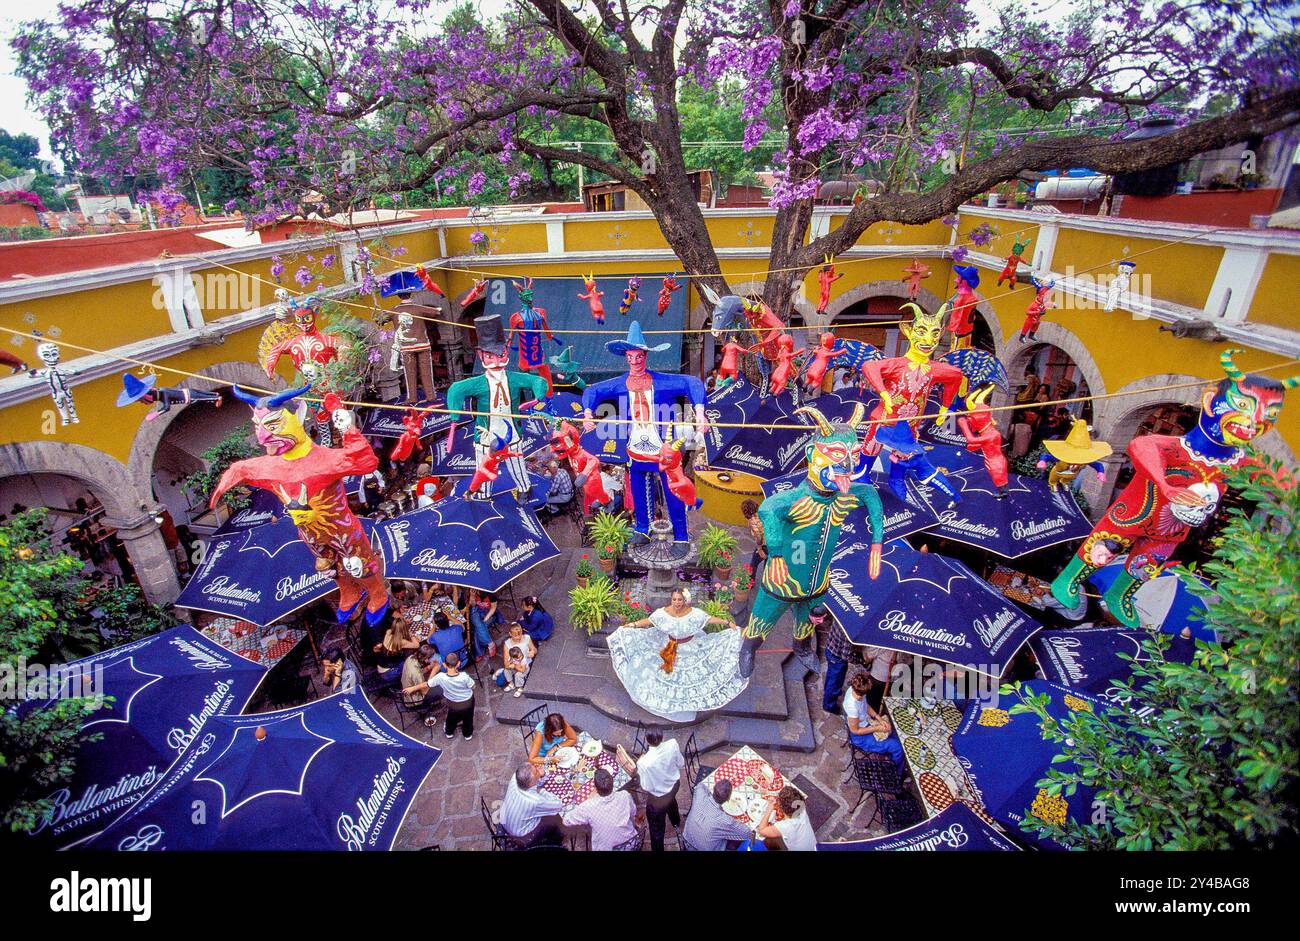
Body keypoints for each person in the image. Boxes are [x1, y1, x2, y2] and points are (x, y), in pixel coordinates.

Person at [608, 587, 745, 722]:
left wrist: (727, 623)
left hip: (690, 647)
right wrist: (633, 625)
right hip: (668, 645)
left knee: (689, 678)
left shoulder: (694, 613)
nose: (677, 602)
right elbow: (650, 621)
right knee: (665, 676)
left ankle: (687, 703)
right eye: (674, 599)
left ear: (684, 600)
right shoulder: (663, 613)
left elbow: (709, 619)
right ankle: (667, 703)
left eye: (679, 599)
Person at [629, 728, 684, 853]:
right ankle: (676, 822)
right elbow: (681, 763)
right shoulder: (673, 744)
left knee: (656, 830)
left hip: (658, 800)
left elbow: (646, 786)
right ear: (662, 737)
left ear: (647, 741)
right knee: (671, 802)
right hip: (674, 786)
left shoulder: (644, 762)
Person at [560, 768, 637, 851]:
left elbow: (566, 821)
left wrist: (588, 800)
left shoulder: (588, 806)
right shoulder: (625, 795)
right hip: (631, 843)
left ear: (595, 788)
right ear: (613, 783)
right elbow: (633, 813)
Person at [405, 652, 476, 739]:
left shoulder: (440, 677)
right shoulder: (464, 676)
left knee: (451, 717)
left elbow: (426, 684)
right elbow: (473, 686)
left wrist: (412, 688)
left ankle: (449, 733)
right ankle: (467, 734)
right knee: (468, 717)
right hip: (468, 701)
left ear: (444, 665)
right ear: (458, 664)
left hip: (453, 703)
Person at [843, 672, 904, 769]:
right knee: (898, 748)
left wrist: (879, 719)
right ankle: (894, 773)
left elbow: (866, 706)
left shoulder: (855, 690)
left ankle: (891, 757)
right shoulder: (852, 707)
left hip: (867, 724)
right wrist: (877, 728)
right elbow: (855, 730)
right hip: (860, 737)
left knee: (894, 733)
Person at [500, 763, 567, 848]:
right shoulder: (535, 801)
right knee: (556, 818)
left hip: (505, 821)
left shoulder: (515, 777)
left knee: (543, 811)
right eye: (536, 771)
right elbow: (558, 805)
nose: (537, 768)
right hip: (521, 835)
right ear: (531, 783)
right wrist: (541, 790)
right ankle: (557, 843)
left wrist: (540, 775)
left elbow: (534, 785)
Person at [682, 777, 752, 851]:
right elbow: (747, 833)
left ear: (713, 789)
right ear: (728, 799)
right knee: (736, 842)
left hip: (686, 839)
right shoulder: (725, 820)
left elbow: (700, 785)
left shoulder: (700, 795)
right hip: (703, 849)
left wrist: (709, 793)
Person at [819, 605, 862, 715]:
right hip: (837, 658)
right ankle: (829, 705)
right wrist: (860, 660)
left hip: (830, 648)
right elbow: (846, 656)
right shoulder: (850, 632)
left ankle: (829, 691)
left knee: (831, 676)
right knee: (835, 681)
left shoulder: (841, 616)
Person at [756, 785, 816, 851]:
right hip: (813, 846)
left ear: (781, 807)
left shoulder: (785, 826)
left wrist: (770, 808)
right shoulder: (801, 806)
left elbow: (761, 830)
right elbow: (790, 798)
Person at [468, 590, 499, 662]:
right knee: (478, 625)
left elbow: (493, 608)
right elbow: (472, 605)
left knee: (477, 629)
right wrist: (472, 596)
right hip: (477, 612)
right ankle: (490, 643)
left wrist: (485, 619)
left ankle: (479, 653)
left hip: (489, 614)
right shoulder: (474, 591)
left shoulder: (491, 594)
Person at [740, 498, 767, 577]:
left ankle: (750, 582)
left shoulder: (753, 522)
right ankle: (765, 580)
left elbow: (758, 537)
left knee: (753, 564)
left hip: (764, 545)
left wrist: (760, 549)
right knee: (767, 562)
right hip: (771, 541)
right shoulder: (762, 513)